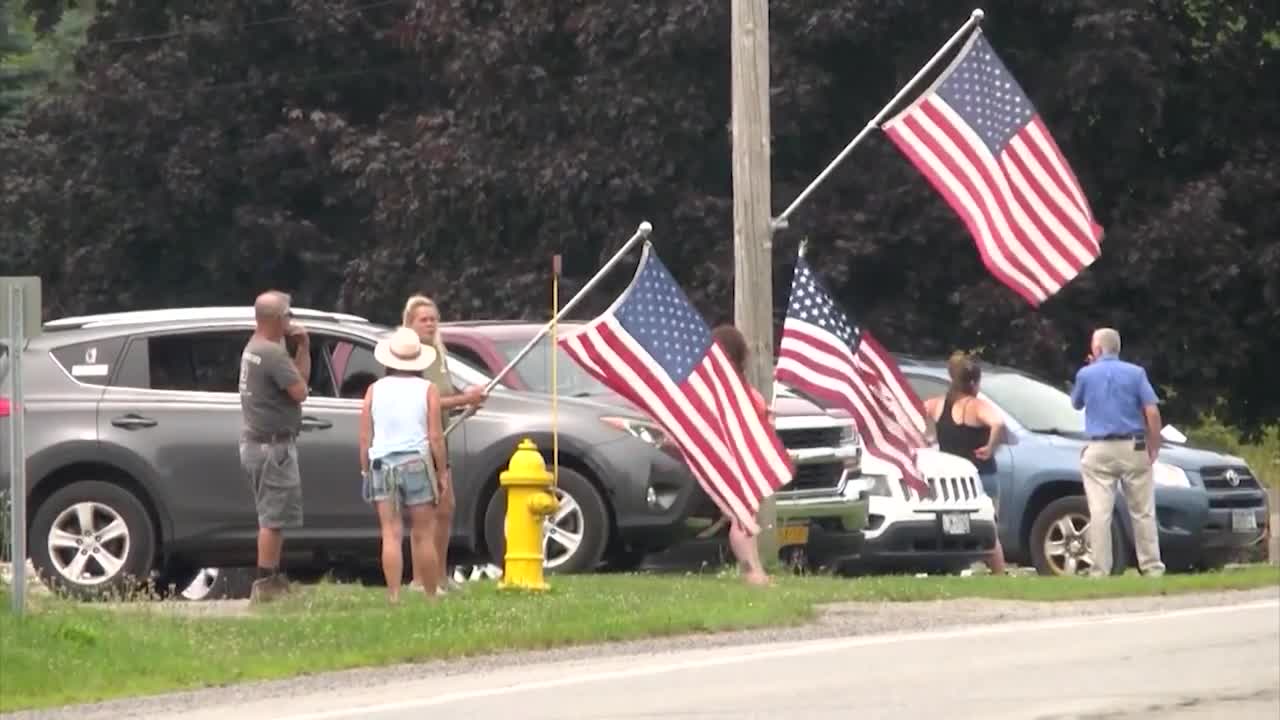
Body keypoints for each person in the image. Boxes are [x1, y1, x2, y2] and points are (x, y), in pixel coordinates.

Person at [359, 326, 451, 603]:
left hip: (381, 463)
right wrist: (442, 472)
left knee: (390, 533)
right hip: (416, 462)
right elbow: (435, 437)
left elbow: (365, 436)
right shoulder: (428, 389)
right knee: (424, 533)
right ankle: (431, 595)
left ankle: (394, 596)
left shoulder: (374, 390)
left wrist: (365, 469)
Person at [402, 295, 486, 594]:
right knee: (424, 513)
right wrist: (464, 399)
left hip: (442, 439)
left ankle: (438, 574)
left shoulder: (438, 353)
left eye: (433, 318)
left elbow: (445, 394)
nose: (430, 324)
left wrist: (468, 401)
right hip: (420, 441)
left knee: (446, 508)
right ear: (410, 323)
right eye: (423, 319)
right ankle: (419, 580)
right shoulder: (409, 358)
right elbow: (427, 401)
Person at [1071, 328, 1165, 577]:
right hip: (1133, 445)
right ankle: (1152, 566)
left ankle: (1100, 569)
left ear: (1097, 349)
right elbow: (1152, 411)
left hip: (1099, 447)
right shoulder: (1136, 373)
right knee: (1143, 510)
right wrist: (1154, 444)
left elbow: (1076, 403)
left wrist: (1090, 369)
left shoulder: (1085, 374)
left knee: (1100, 512)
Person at [238, 290, 310, 603]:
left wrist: (299, 348)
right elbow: (300, 391)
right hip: (272, 448)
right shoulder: (272, 354)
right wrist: (304, 347)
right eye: (288, 314)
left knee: (275, 517)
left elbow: (295, 383)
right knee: (272, 519)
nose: (292, 320)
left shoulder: (254, 346)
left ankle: (273, 577)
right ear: (278, 318)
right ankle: (265, 583)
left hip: (258, 444)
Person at [924, 352, 1007, 574]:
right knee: (988, 529)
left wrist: (923, 438)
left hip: (950, 482)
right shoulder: (977, 406)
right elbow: (998, 423)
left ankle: (951, 570)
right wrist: (990, 447)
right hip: (981, 476)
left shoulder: (937, 405)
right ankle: (1000, 574)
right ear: (974, 383)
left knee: (951, 528)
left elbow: (914, 411)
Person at [710, 324, 772, 587]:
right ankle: (751, 572)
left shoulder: (718, 387)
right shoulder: (735, 390)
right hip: (739, 462)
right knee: (743, 519)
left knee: (747, 519)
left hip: (737, 462)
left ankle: (756, 569)